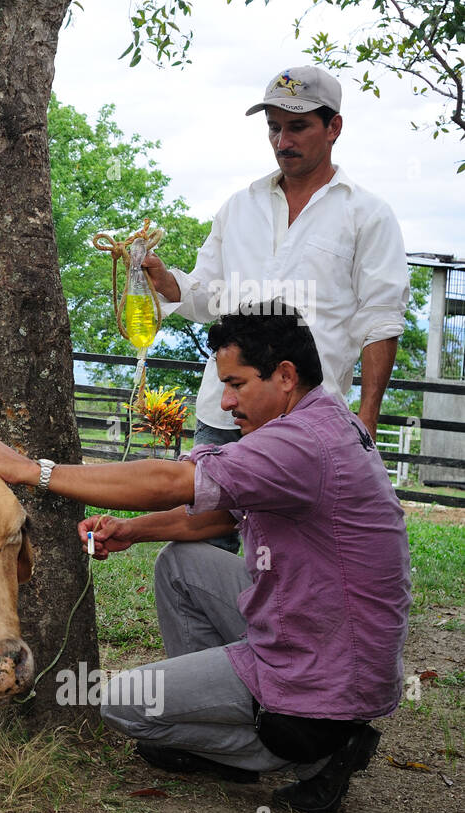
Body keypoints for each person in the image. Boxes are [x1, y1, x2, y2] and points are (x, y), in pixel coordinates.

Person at [0, 306, 411, 813]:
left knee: (120, 704)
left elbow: (171, 482)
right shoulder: (327, 418)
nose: (226, 402)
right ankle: (244, 720)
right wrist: (131, 530)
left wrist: (31, 470)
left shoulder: (300, 443)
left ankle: (305, 747)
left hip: (321, 664)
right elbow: (217, 516)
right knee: (181, 564)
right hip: (330, 632)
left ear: (286, 376)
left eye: (237, 384)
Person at [143, 66, 408, 551]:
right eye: (274, 127)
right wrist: (167, 282)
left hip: (308, 424)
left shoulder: (367, 214)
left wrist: (366, 418)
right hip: (226, 410)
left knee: (296, 557)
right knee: (198, 550)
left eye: (298, 126)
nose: (282, 141)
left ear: (334, 127)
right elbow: (208, 296)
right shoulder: (238, 206)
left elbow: (380, 320)